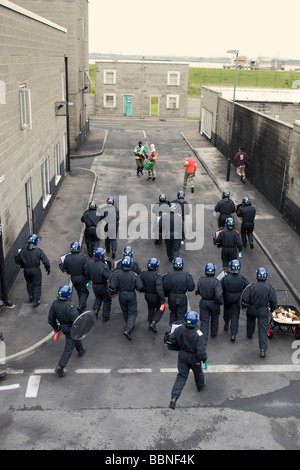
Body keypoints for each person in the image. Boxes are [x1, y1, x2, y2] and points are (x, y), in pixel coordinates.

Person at [168, 311, 207, 410]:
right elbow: (201, 351)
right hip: (194, 358)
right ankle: (200, 386)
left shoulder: (179, 329)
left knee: (181, 377)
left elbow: (171, 339)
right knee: (198, 373)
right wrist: (204, 358)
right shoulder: (198, 334)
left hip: (182, 355)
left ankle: (174, 397)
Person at [48, 285, 86, 377]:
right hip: (71, 328)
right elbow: (77, 321)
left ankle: (80, 349)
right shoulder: (70, 307)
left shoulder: (55, 304)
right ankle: (60, 367)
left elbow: (51, 319)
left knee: (74, 337)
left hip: (63, 327)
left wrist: (56, 328)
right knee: (69, 348)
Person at [241, 267, 278, 357]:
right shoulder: (269, 288)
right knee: (262, 329)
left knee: (250, 321)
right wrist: (273, 309)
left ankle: (250, 334)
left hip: (252, 308)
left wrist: (248, 305)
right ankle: (262, 349)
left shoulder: (251, 286)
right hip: (263, 310)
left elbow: (244, 299)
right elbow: (274, 302)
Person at [108, 256, 143, 341]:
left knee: (125, 310)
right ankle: (128, 329)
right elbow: (139, 286)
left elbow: (112, 286)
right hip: (131, 294)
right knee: (133, 312)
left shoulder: (117, 274)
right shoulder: (133, 275)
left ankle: (129, 324)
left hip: (121, 294)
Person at [15, 233, 50, 307]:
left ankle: (30, 295)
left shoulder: (23, 251)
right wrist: (47, 269)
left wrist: (22, 265)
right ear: (36, 242)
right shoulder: (38, 251)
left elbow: (18, 260)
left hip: (26, 270)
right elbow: (46, 261)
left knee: (29, 282)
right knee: (36, 285)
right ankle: (35, 301)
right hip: (35, 270)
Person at [221, 259, 249, 341]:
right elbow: (248, 288)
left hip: (227, 298)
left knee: (226, 311)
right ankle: (233, 333)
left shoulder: (226, 278)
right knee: (235, 316)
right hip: (237, 299)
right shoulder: (242, 278)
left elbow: (221, 288)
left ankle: (226, 322)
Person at [195, 263, 223, 344]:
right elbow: (218, 295)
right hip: (214, 303)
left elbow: (199, 291)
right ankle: (214, 333)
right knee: (215, 318)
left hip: (204, 302)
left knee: (204, 322)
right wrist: (220, 302)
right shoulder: (216, 282)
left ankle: (203, 340)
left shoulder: (201, 280)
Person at [163, 257, 195, 325]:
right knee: (181, 316)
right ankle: (179, 331)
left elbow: (165, 288)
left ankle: (171, 331)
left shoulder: (168, 275)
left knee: (173, 313)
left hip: (172, 297)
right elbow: (191, 288)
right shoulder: (187, 275)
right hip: (182, 297)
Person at [60, 242, 89, 313]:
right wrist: (88, 278)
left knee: (79, 291)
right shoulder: (82, 257)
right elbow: (86, 269)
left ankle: (81, 303)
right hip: (82, 278)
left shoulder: (67, 258)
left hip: (73, 278)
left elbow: (64, 268)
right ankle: (81, 305)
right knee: (84, 292)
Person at [140, 258, 166, 333]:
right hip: (156, 296)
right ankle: (154, 322)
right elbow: (159, 289)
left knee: (150, 308)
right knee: (161, 308)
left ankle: (150, 323)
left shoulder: (144, 273)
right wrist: (163, 299)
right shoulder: (157, 276)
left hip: (147, 295)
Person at [87, 247, 112, 322]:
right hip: (103, 285)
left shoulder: (91, 265)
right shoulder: (103, 266)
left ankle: (96, 309)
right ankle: (105, 316)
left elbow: (88, 275)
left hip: (94, 285)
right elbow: (109, 276)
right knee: (107, 300)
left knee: (98, 298)